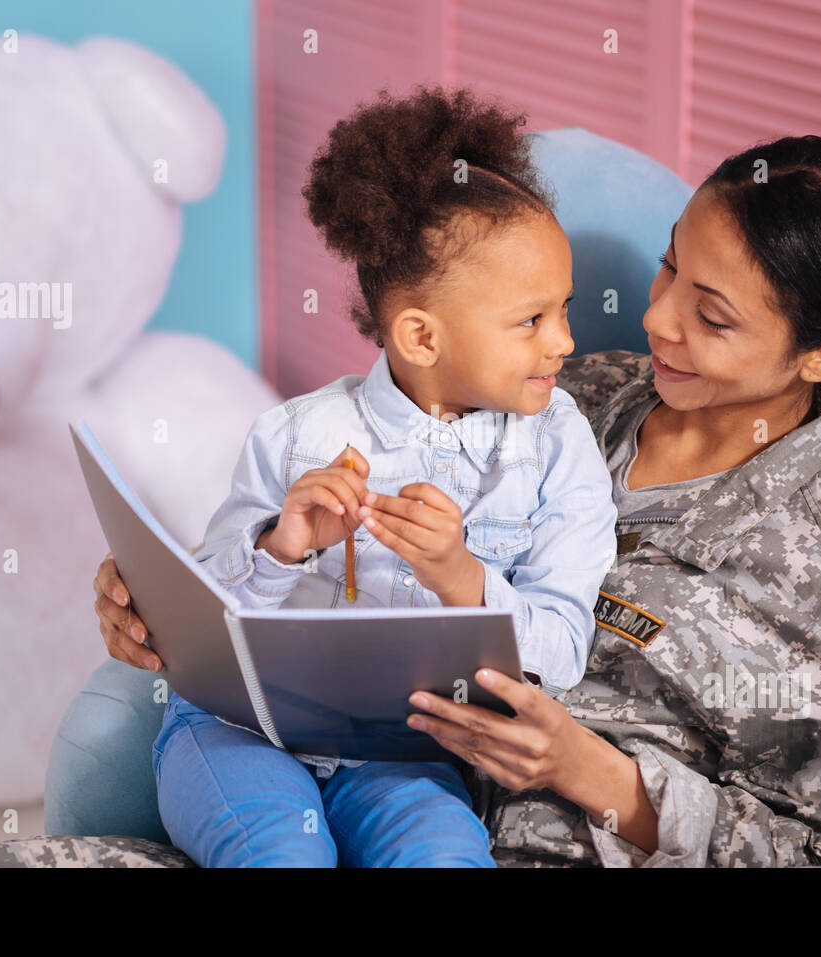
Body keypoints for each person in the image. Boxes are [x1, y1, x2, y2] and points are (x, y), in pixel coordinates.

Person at [94, 131, 821, 867]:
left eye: (711, 317)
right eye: (669, 266)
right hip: (323, 782)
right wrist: (163, 595)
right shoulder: (571, 398)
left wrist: (587, 770)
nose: (657, 322)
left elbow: (819, 850)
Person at [145, 86, 617, 868]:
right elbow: (201, 631)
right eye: (532, 320)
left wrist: (463, 576)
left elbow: (562, 649)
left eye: (564, 308)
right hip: (237, 732)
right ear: (421, 336)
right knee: (275, 851)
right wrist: (283, 544)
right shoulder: (295, 434)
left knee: (443, 856)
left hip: (402, 752)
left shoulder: (558, 445)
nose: (565, 341)